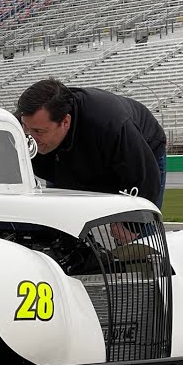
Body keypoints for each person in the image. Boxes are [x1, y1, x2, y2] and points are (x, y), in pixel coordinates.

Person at [17, 78, 168, 242]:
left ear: (65, 122)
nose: (30, 137)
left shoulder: (110, 123)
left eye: (39, 131)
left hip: (135, 157)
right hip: (71, 164)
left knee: (138, 239)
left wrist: (133, 225)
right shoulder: (19, 126)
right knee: (60, 227)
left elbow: (145, 176)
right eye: (26, 128)